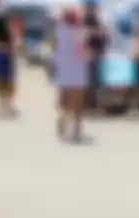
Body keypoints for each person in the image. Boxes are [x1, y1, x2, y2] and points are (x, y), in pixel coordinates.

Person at [53, 7, 89, 142]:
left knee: (65, 101)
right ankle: (77, 131)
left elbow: (55, 50)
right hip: (77, 70)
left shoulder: (59, 32)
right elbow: (83, 53)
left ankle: (62, 124)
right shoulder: (79, 33)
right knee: (78, 103)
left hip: (63, 70)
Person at [0, 4, 18, 117]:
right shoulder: (7, 24)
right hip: (6, 52)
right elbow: (12, 38)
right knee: (8, 80)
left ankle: (1, 106)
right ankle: (8, 106)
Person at [83, 1, 106, 111]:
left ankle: (91, 105)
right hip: (86, 57)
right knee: (88, 82)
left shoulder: (97, 22)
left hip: (95, 56)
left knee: (93, 82)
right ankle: (88, 104)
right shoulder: (84, 21)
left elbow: (103, 40)